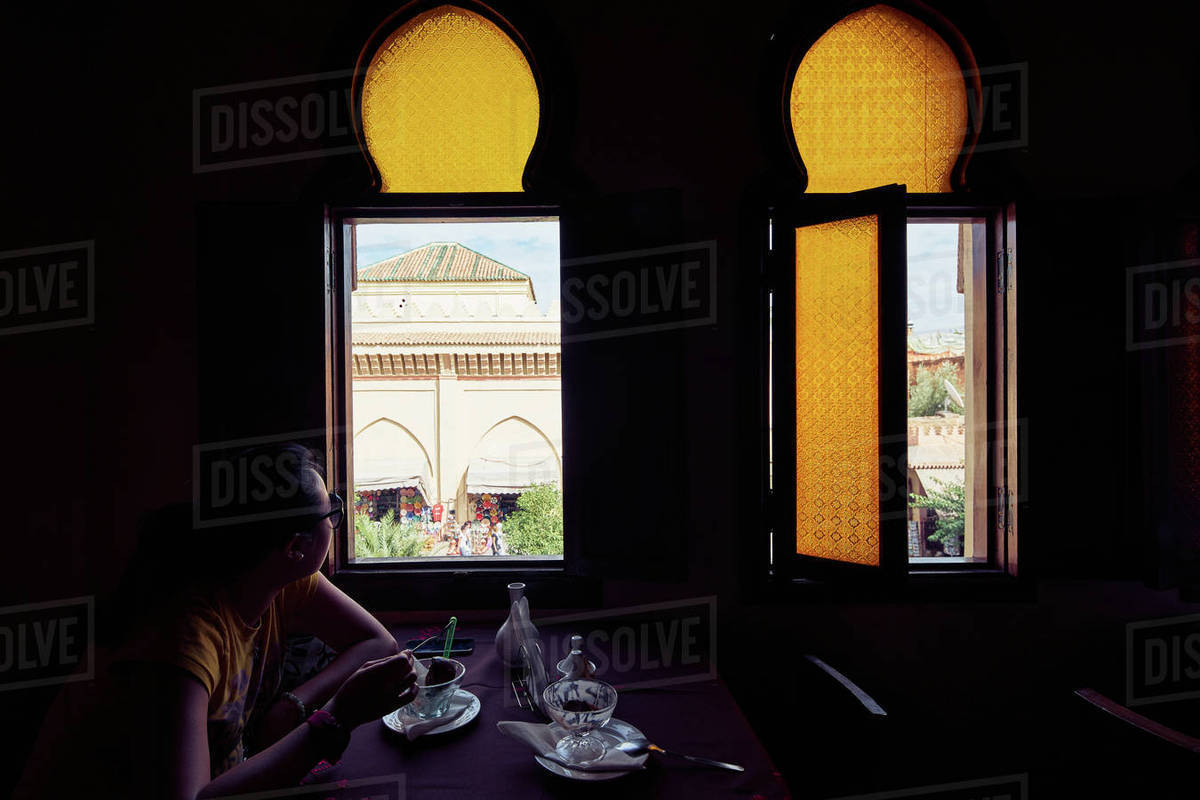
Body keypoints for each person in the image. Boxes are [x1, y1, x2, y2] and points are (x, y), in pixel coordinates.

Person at [16, 444, 419, 800]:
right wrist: (335, 717)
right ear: (296, 546)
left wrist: (293, 704)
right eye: (332, 512)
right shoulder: (184, 637)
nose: (336, 520)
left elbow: (376, 642)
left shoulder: (277, 578)